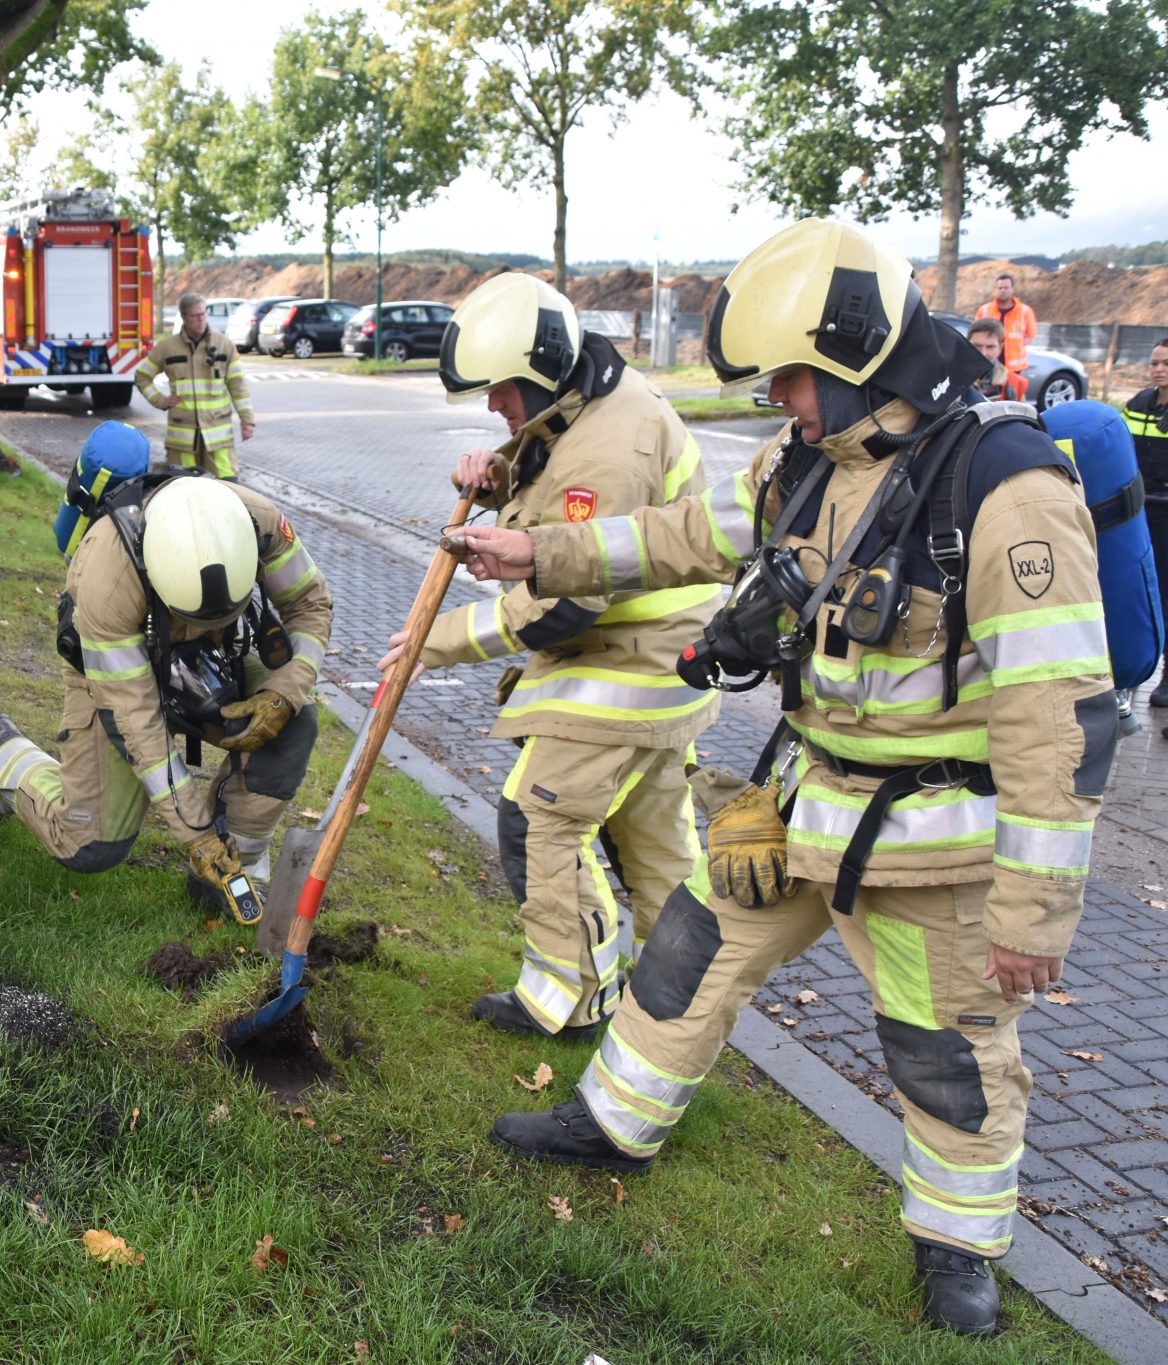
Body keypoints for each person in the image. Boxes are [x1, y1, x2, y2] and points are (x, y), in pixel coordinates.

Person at [457, 219, 1110, 1337]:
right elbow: (681, 535)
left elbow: (1059, 719)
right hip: (803, 803)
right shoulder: (808, 460)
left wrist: (1033, 911)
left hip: (930, 845)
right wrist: (537, 552)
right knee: (684, 955)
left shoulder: (1007, 488)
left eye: (790, 378)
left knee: (946, 1053)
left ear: (856, 354)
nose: (777, 399)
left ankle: (956, 1247)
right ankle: (613, 1122)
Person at [372, 273, 719, 1039]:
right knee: (657, 848)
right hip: (661, 662)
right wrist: (496, 475)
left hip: (627, 661)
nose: (494, 405)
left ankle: (571, 998)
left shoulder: (612, 448)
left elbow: (568, 598)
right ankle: (679, 1005)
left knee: (539, 818)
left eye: (502, 390)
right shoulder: (583, 400)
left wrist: (441, 639)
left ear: (541, 370)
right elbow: (550, 498)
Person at [0, 442, 331, 921]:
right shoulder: (105, 582)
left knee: (296, 720)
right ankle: (5, 755)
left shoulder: (258, 521)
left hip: (216, 654)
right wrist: (196, 834)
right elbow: (139, 725)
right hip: (115, 674)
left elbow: (310, 605)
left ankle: (233, 866)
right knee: (89, 846)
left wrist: (285, 691)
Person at [134, 292, 256, 478]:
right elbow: (142, 377)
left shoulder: (224, 345)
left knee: (228, 486)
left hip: (218, 439)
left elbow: (238, 386)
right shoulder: (167, 348)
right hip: (182, 441)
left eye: (203, 314)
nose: (201, 319)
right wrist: (160, 400)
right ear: (184, 317)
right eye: (195, 316)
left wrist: (247, 421)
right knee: (184, 489)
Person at [1128, 338, 1168, 708]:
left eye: (1166, 364)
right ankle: (1133, 666)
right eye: (1155, 362)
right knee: (1135, 588)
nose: (1158, 369)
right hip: (1138, 510)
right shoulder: (1138, 404)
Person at [974, 272, 1037, 387]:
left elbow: (1030, 335)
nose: (1002, 290)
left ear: (1013, 289)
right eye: (1000, 288)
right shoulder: (985, 310)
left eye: (1006, 288)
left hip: (1014, 368)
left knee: (1011, 396)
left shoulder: (1025, 311)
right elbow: (976, 334)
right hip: (988, 366)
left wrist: (1015, 347)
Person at [967, 316, 1026, 402]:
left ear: (1000, 349)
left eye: (990, 347)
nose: (983, 353)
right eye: (977, 346)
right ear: (967, 345)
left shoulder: (1015, 384)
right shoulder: (950, 380)